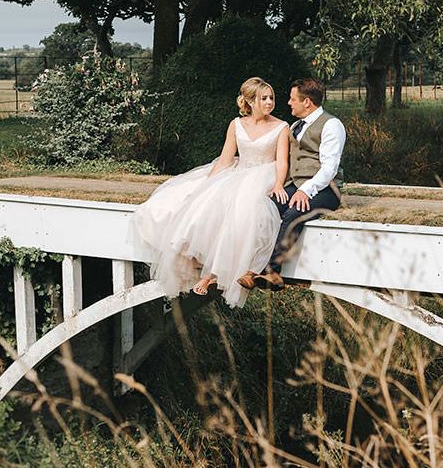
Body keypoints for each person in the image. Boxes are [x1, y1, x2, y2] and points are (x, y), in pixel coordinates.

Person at [131, 77, 290, 308]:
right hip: (238, 171)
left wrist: (278, 184)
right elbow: (225, 159)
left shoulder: (281, 127)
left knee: (243, 210)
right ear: (249, 101)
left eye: (271, 98)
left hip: (263, 175)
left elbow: (282, 162)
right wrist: (208, 184)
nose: (269, 102)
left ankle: (212, 274)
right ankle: (201, 264)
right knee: (207, 203)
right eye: (263, 98)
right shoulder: (236, 124)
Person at [241, 77, 346, 291]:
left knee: (293, 212)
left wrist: (305, 191)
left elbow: (329, 169)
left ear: (306, 102)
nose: (288, 103)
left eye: (292, 99)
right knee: (265, 208)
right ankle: (252, 268)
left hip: (326, 189)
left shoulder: (331, 125)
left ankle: (273, 272)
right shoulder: (296, 126)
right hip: (295, 185)